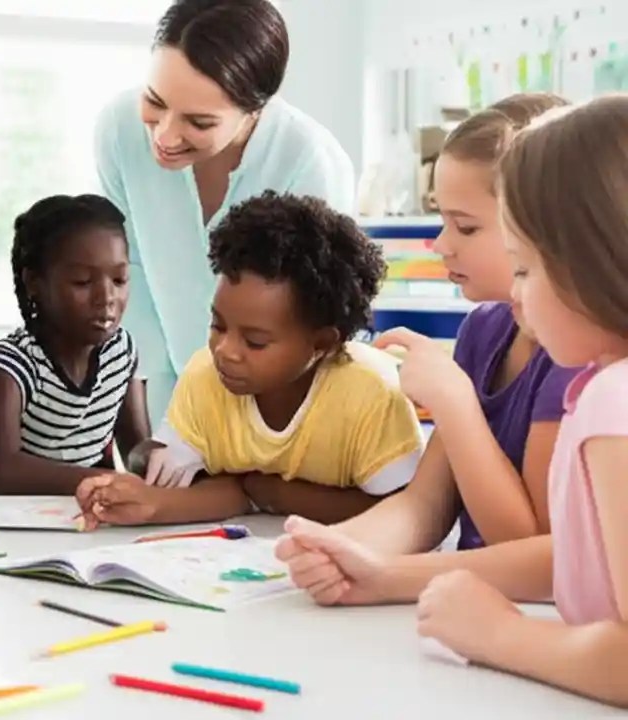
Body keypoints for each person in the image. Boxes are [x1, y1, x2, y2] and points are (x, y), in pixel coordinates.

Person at [280, 95, 628, 708]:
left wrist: (503, 636)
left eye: (525, 270)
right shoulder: (595, 383)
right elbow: (575, 559)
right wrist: (374, 569)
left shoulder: (612, 400)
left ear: (592, 263)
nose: (515, 299)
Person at [324, 94, 575, 555]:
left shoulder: (574, 355)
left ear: (538, 224)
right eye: (442, 220)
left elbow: (530, 546)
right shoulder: (483, 331)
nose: (440, 244)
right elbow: (425, 505)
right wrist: (338, 546)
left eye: (466, 227)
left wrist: (454, 401)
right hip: (467, 597)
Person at [77, 192, 421, 527]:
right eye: (217, 325)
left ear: (322, 343)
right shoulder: (206, 377)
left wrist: (268, 491)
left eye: (255, 341)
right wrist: (148, 503)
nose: (224, 350)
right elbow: (211, 491)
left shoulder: (370, 395)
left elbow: (408, 510)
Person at [96, 0, 355, 417]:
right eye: (155, 101)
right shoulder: (119, 130)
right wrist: (156, 427)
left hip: (283, 409)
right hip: (167, 401)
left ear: (255, 108)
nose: (165, 135)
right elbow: (132, 282)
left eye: (198, 123)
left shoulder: (310, 163)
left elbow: (307, 326)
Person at [0, 195, 150, 494]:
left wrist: (169, 461)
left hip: (96, 512)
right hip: (24, 519)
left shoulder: (120, 352)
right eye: (83, 282)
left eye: (119, 280)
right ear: (34, 283)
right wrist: (102, 481)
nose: (107, 298)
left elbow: (136, 447)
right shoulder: (13, 367)